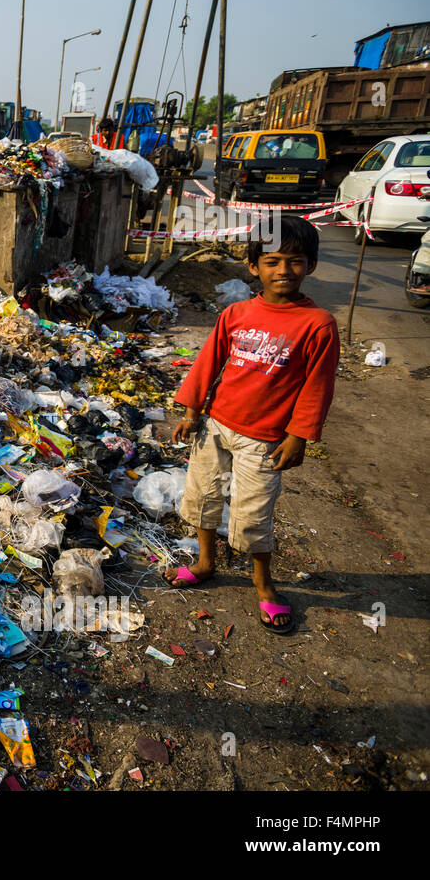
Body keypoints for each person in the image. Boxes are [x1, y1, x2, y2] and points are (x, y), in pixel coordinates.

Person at [166, 217, 339, 635]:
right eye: (273, 261)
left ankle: (263, 584)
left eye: (295, 262)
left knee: (253, 515)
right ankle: (206, 562)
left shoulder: (318, 325)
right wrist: (191, 412)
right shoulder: (236, 313)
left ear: (310, 266)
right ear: (253, 267)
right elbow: (208, 363)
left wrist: (299, 436)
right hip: (216, 426)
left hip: (264, 439)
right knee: (203, 496)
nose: (283, 271)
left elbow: (318, 386)